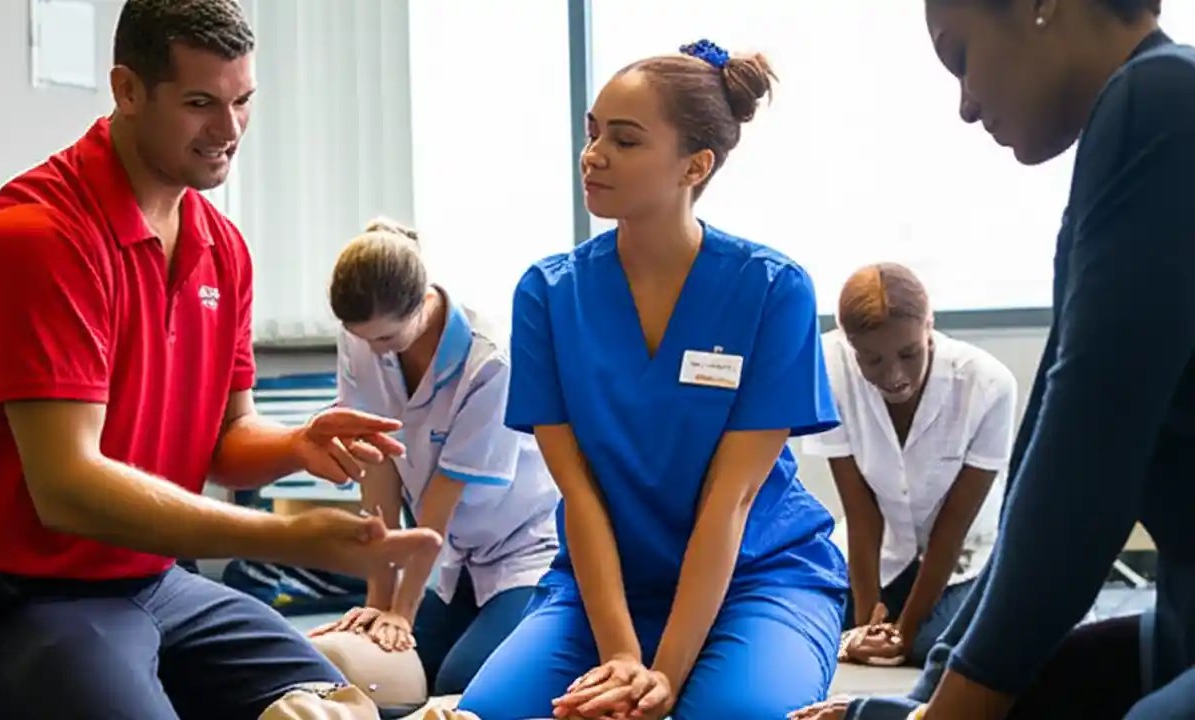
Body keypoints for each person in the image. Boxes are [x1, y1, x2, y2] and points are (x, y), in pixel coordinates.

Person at [0, 2, 440, 718]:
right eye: (200, 103)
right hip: (14, 599)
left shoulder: (220, 246)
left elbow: (225, 440)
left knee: (344, 703)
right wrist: (288, 537)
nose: (228, 131)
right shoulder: (38, 237)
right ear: (128, 90)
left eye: (242, 101)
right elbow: (66, 487)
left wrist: (296, 444)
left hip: (155, 583)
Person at [790, 1, 1195, 719]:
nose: (967, 106)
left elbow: (1086, 469)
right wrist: (925, 697)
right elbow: (1048, 441)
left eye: (961, 58)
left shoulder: (1162, 101)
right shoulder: (1134, 122)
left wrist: (946, 710)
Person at [457, 39, 849, 720]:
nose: (594, 154)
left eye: (626, 140)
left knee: (730, 716)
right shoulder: (548, 294)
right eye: (592, 132)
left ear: (694, 165)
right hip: (603, 588)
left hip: (759, 579)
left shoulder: (773, 290)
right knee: (491, 713)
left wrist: (663, 674)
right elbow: (576, 493)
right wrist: (621, 658)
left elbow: (732, 502)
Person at [305, 218, 561, 696]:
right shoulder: (363, 333)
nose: (370, 349)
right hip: (450, 560)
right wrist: (377, 601)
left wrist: (401, 612)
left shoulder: (489, 365)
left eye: (383, 340)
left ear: (422, 302)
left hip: (521, 551)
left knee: (459, 681)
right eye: (359, 337)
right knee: (377, 675)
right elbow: (377, 472)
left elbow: (439, 506)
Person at [802, 263, 1017, 668]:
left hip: (962, 556)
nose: (894, 375)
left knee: (930, 645)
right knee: (802, 626)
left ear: (929, 327)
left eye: (908, 353)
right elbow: (861, 512)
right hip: (879, 553)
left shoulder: (988, 385)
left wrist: (906, 629)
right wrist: (866, 627)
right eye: (872, 359)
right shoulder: (828, 369)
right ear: (851, 346)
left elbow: (952, 528)